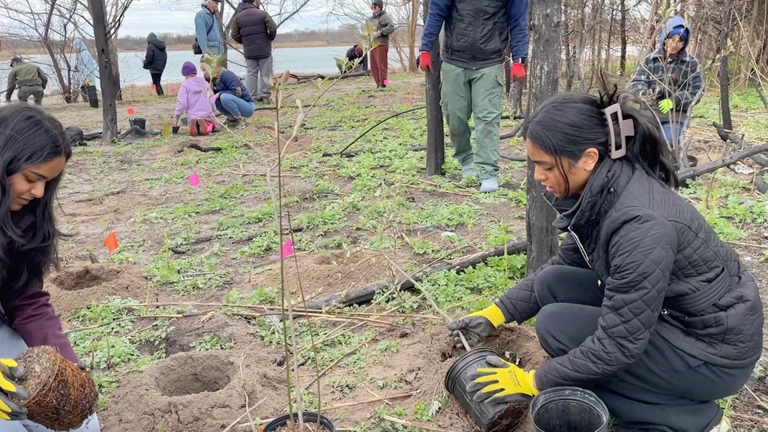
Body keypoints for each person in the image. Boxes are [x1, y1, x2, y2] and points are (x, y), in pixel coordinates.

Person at [448, 87, 762, 432]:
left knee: (557, 327)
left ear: (588, 158)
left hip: (713, 354)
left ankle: (692, 420)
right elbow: (561, 267)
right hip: (675, 319)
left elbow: (620, 343)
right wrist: (496, 313)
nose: (538, 177)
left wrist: (535, 380)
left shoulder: (639, 225)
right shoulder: (604, 191)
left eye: (546, 166)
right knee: (554, 284)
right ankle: (644, 387)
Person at [0, 104, 100, 432]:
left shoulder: (22, 217)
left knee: (76, 420)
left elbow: (26, 301)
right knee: (9, 424)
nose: (40, 192)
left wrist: (64, 365)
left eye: (48, 182)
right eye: (31, 179)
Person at [419, 0, 529, 193]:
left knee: (487, 119)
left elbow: (518, 21)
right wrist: (425, 49)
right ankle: (466, 162)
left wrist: (519, 59)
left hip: (490, 61)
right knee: (454, 115)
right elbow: (437, 11)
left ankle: (488, 172)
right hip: (454, 59)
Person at [628, 15, 703, 148]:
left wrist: (676, 100)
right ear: (664, 37)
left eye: (680, 40)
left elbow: (697, 91)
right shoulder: (649, 60)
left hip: (675, 117)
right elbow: (635, 83)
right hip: (648, 114)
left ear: (685, 42)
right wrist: (643, 95)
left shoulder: (691, 63)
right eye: (671, 38)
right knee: (637, 143)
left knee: (666, 144)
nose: (674, 44)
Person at [230, 0, 277, 104]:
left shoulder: (238, 17)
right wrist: (269, 38)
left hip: (249, 50)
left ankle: (252, 97)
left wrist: (243, 41)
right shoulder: (262, 14)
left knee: (251, 73)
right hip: (264, 49)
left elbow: (234, 34)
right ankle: (265, 96)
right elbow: (273, 27)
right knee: (266, 73)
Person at [201, 57, 254, 130]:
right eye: (202, 70)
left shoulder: (226, 74)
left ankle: (240, 120)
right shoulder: (209, 78)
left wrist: (220, 93)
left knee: (224, 97)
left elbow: (237, 93)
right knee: (212, 98)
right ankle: (231, 119)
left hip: (247, 106)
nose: (204, 72)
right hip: (230, 102)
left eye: (204, 69)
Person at [174, 61, 220, 136]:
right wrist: (213, 110)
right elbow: (211, 99)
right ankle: (207, 127)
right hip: (206, 114)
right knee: (215, 126)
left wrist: (177, 114)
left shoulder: (185, 85)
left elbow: (182, 102)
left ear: (185, 75)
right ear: (195, 73)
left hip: (192, 116)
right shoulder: (204, 83)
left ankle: (194, 126)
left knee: (193, 122)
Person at [369, 0, 395, 88]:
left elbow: (391, 26)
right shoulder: (371, 19)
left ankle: (384, 84)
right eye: (372, 7)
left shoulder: (385, 17)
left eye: (375, 7)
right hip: (373, 45)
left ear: (380, 7)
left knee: (382, 66)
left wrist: (381, 32)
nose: (373, 8)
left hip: (381, 44)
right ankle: (378, 83)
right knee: (374, 66)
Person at [72, 39, 97, 103]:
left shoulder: (84, 54)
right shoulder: (82, 54)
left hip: (87, 75)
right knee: (85, 87)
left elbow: (86, 66)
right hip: (86, 75)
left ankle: (88, 101)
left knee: (86, 87)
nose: (75, 49)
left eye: (75, 47)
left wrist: (84, 76)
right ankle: (88, 101)